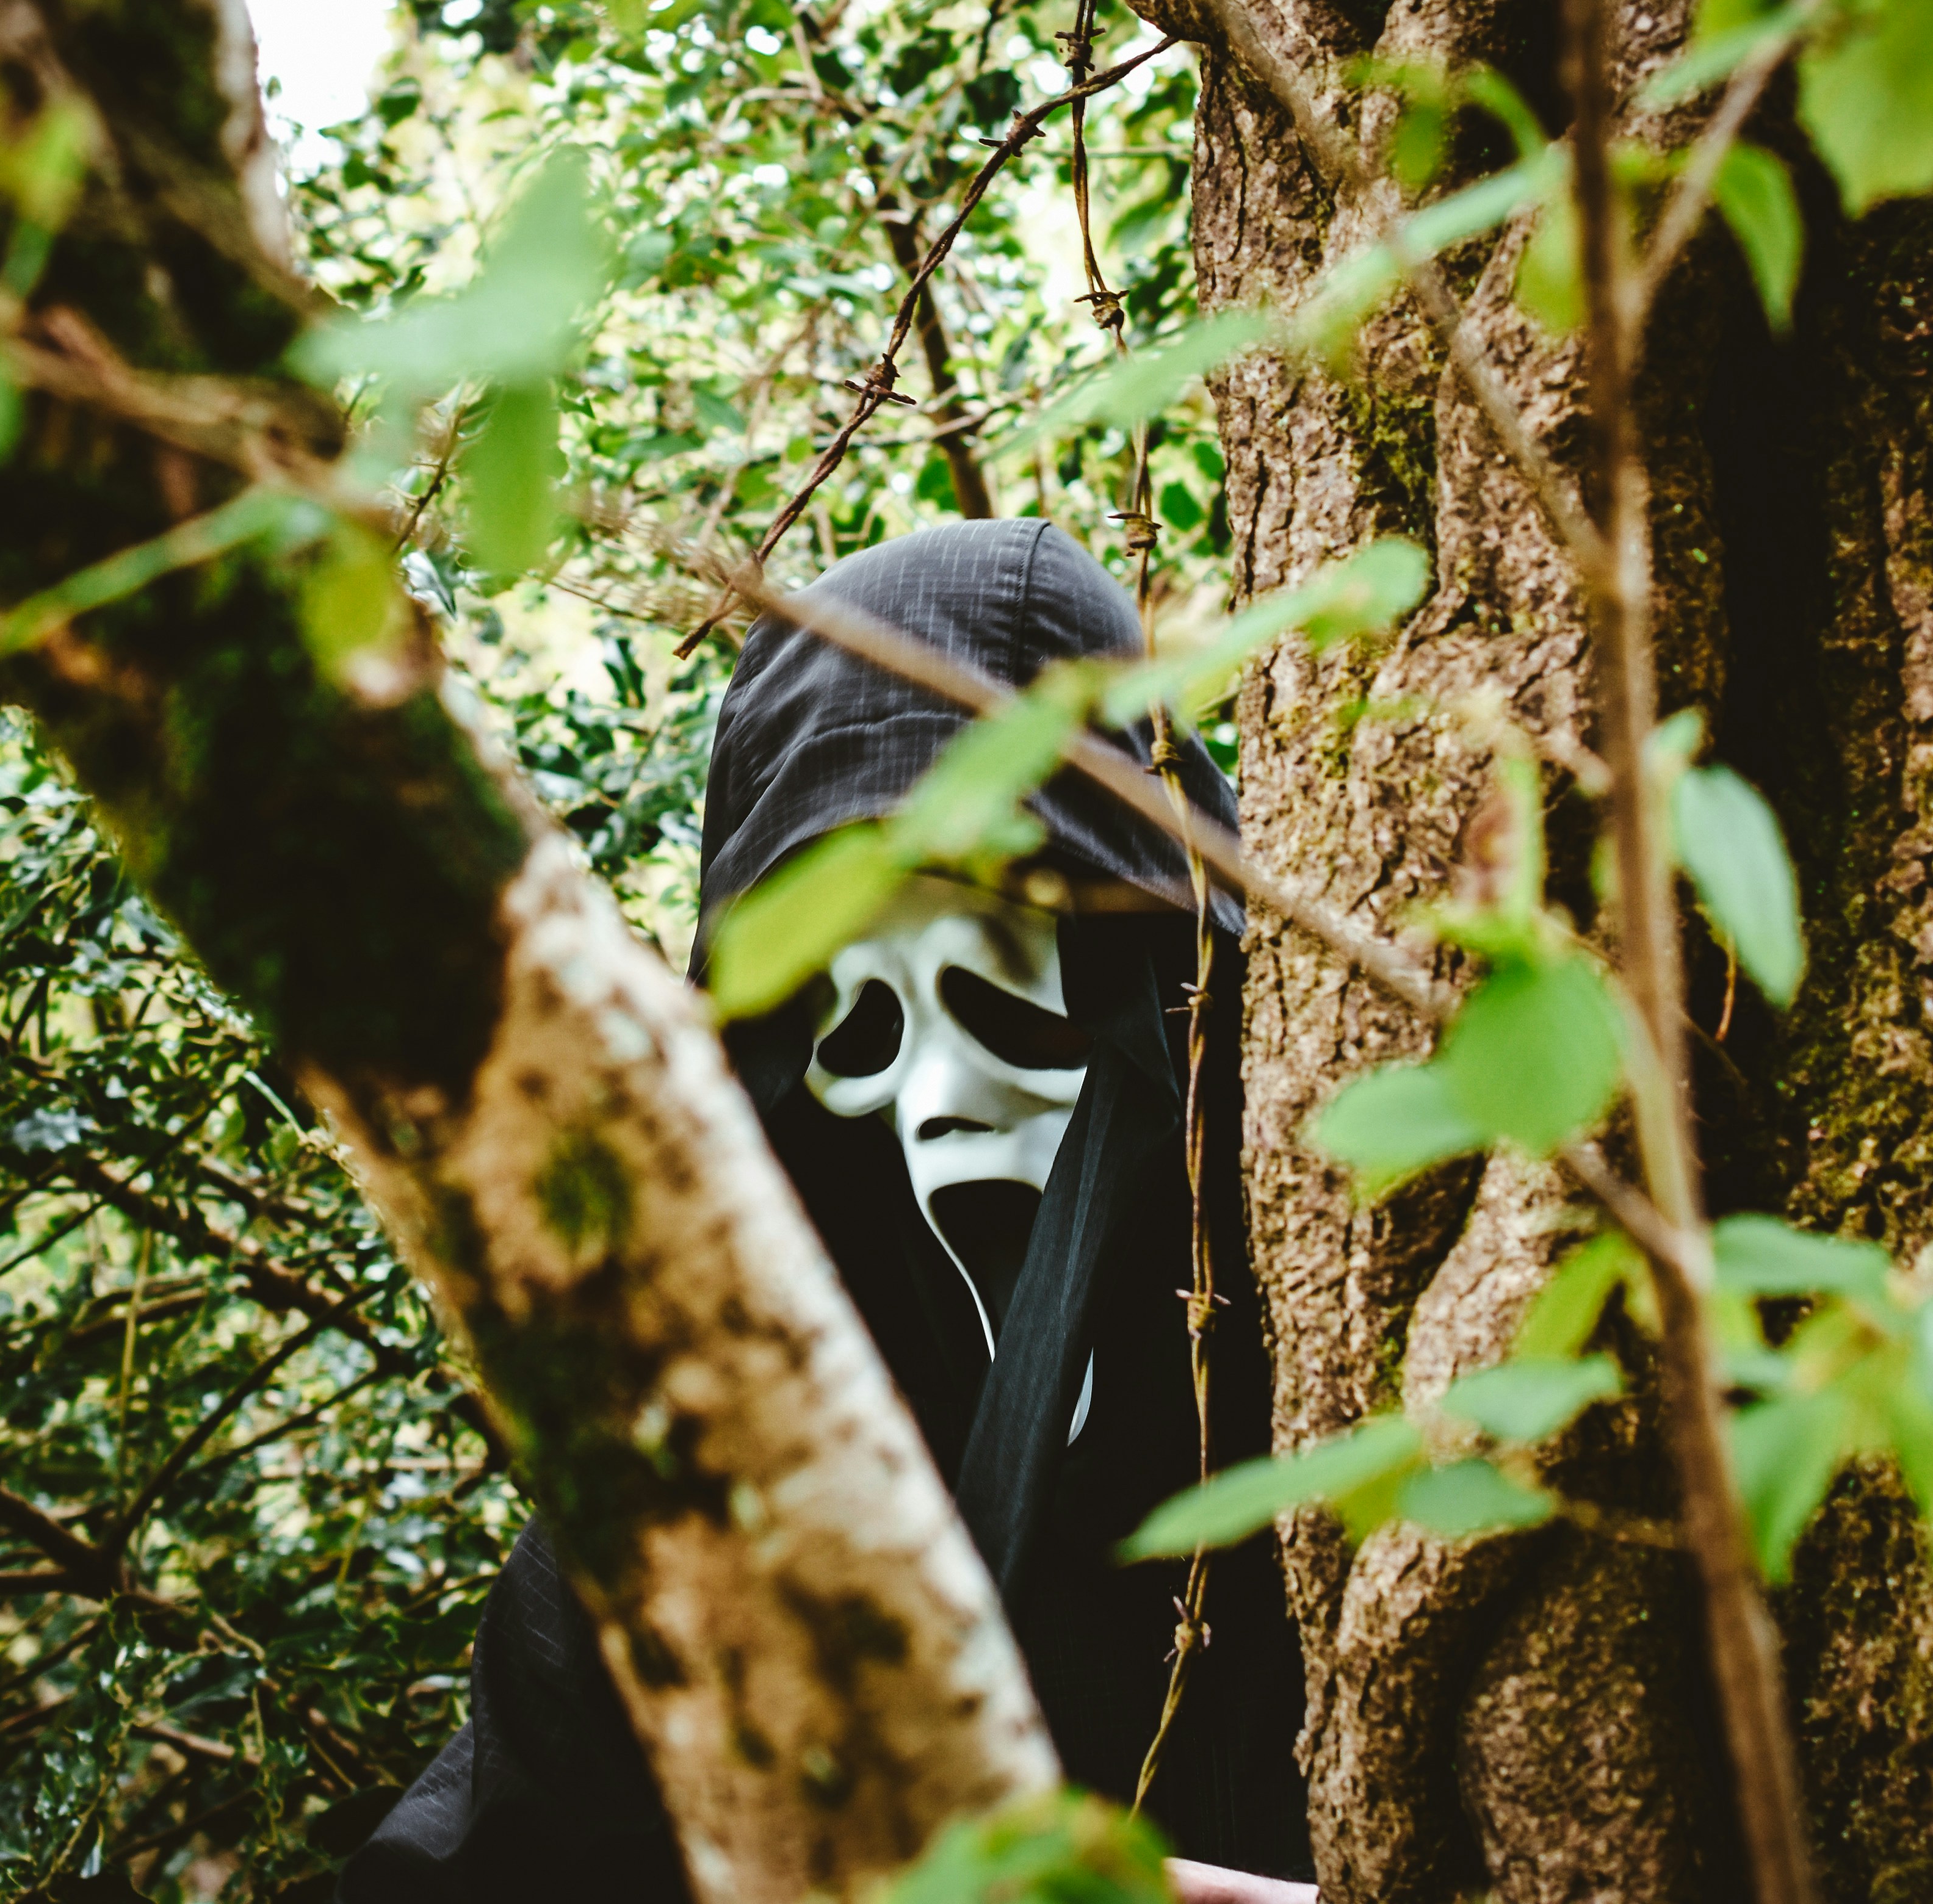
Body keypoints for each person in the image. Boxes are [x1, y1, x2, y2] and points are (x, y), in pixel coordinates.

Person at [340, 519, 1312, 1902]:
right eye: (859, 1027)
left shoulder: (1328, 1278)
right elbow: (507, 1839)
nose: (938, 1097)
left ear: (1136, 965)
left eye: (998, 989)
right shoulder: (736, 1400)